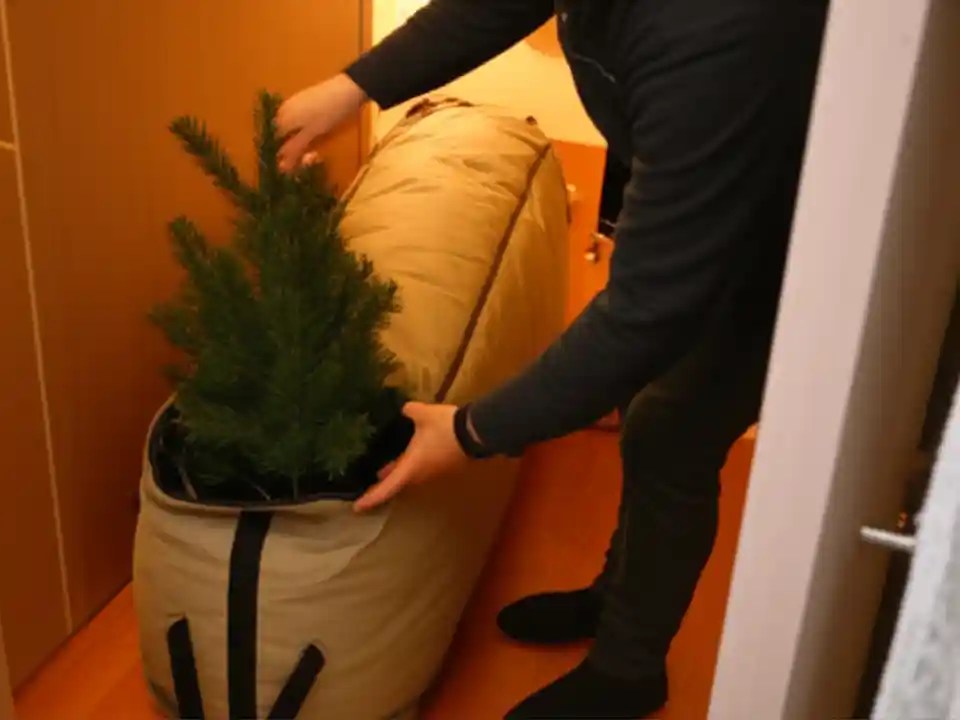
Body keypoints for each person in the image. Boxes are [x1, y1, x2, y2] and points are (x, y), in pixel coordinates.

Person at [276, 0, 830, 717]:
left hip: (796, 240)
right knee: (647, 405)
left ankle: (630, 672)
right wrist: (355, 86)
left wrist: (474, 431)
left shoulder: (717, 30)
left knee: (670, 433)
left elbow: (646, 315)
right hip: (717, 191)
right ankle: (617, 597)